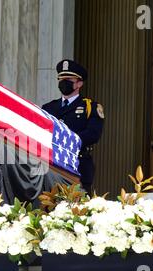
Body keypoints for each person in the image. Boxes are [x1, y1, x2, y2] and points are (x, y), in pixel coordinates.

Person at [42, 59, 104, 194]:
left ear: (79, 83)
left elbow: (93, 134)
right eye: (61, 79)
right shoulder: (48, 108)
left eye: (68, 79)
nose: (64, 82)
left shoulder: (89, 107)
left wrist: (67, 139)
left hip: (78, 165)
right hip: (52, 166)